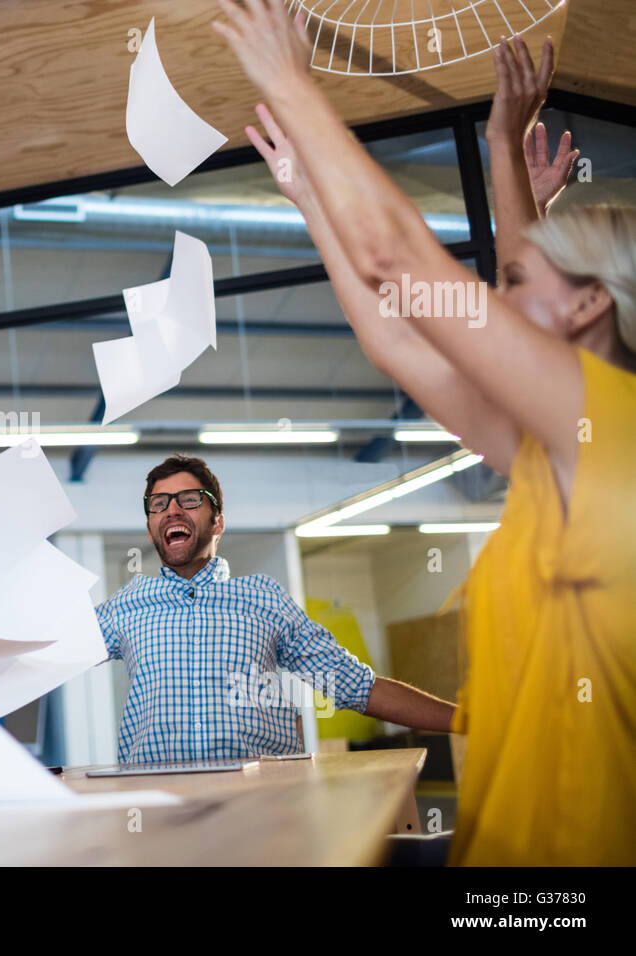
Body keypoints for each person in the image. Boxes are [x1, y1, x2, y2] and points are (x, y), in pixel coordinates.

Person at [216, 0, 636, 865]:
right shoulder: (557, 457)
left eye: (515, 283)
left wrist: (293, 85)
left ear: (594, 303)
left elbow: (403, 266)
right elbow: (395, 333)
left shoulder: (612, 434)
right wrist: (309, 193)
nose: (494, 296)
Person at [97, 455, 455, 764]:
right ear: (150, 530)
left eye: (189, 500)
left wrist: (466, 720)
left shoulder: (265, 598)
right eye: (158, 504)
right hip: (158, 803)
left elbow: (355, 685)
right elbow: (48, 649)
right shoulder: (127, 603)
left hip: (262, 800)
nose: (171, 509)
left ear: (218, 521)